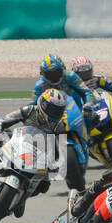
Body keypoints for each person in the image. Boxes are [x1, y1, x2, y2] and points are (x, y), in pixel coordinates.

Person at [0, 88, 86, 201]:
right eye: (52, 109)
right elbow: (6, 119)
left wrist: (57, 164)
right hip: (18, 146)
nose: (54, 113)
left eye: (58, 111)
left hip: (38, 158)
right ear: (42, 104)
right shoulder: (28, 110)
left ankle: (21, 199)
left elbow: (60, 149)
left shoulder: (59, 126)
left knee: (44, 186)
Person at [31, 53, 91, 187]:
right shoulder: (39, 86)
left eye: (57, 72)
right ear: (42, 74)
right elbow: (33, 105)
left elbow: (86, 91)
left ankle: (90, 138)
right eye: (50, 74)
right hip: (53, 114)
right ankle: (47, 163)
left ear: (63, 69)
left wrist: (88, 105)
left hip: (75, 106)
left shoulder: (70, 76)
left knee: (92, 115)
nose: (54, 77)